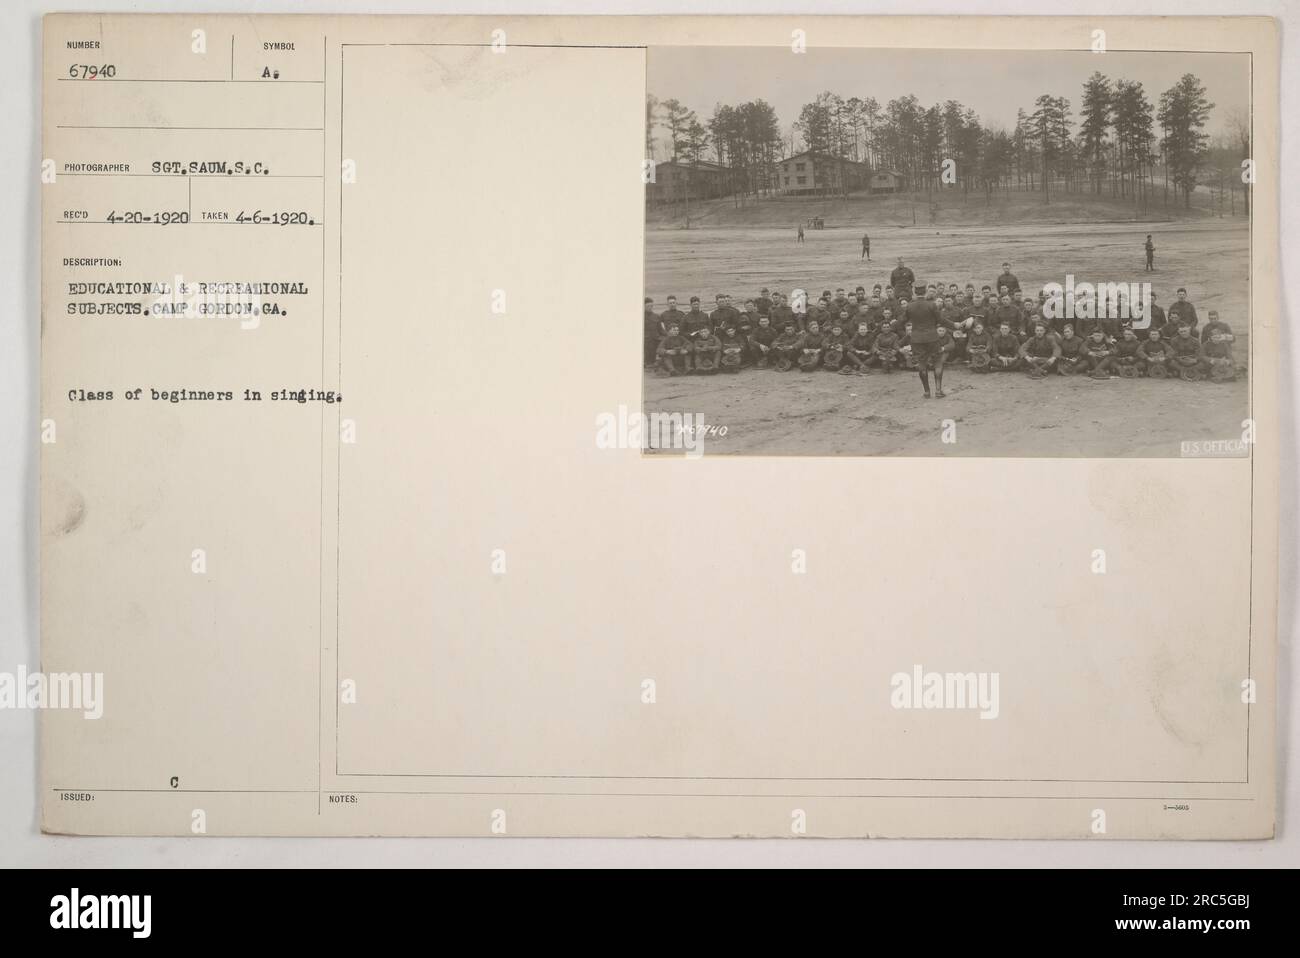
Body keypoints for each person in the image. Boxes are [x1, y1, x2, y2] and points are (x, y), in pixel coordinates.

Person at [903, 293, 955, 398]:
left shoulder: (910, 306)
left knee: (921, 364)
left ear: (915, 293)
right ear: (925, 291)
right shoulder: (931, 305)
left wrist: (892, 325)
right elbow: (941, 320)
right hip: (932, 338)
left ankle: (927, 392)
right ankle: (938, 391)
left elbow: (902, 320)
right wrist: (954, 324)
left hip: (917, 339)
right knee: (938, 362)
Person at [1199, 313, 1237, 381]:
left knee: (1232, 367)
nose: (1213, 320)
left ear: (1218, 318)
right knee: (1202, 367)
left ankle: (1221, 376)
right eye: (1211, 319)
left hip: (1222, 355)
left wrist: (1228, 361)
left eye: (1214, 318)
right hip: (1211, 358)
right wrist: (1210, 360)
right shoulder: (1206, 328)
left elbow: (1233, 339)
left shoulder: (1224, 326)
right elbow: (1202, 353)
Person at [643, 297, 662, 367]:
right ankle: (647, 362)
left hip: (656, 339)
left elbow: (660, 329)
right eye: (648, 306)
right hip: (646, 339)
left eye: (651, 306)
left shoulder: (656, 316)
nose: (650, 307)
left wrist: (668, 335)